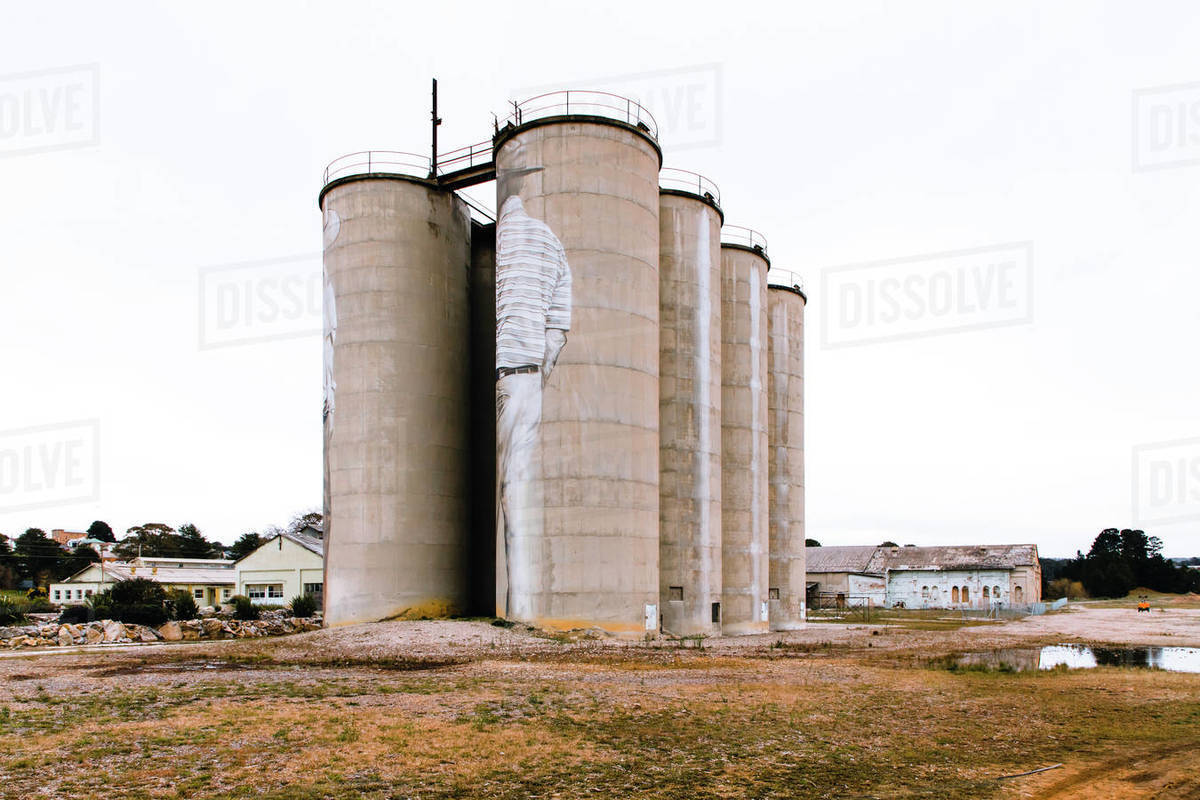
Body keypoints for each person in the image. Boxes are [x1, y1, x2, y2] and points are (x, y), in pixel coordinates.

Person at [494, 162, 571, 620]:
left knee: (509, 490)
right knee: (517, 488)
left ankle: (517, 610)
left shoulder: (504, 239)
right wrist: (538, 375)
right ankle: (520, 605)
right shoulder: (550, 240)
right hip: (529, 377)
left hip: (505, 373)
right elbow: (559, 326)